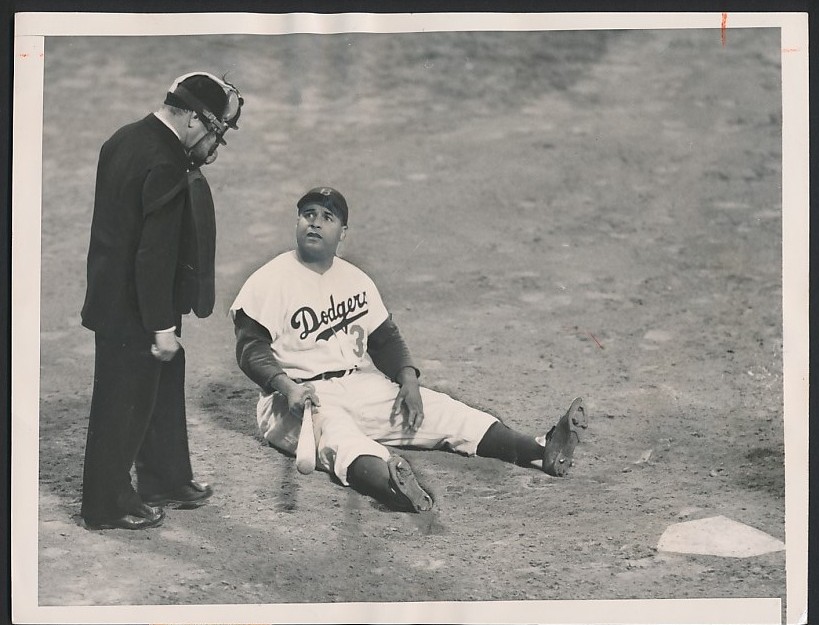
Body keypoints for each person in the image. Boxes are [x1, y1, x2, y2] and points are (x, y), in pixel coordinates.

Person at [230, 187, 588, 512]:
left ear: (342, 233)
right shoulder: (269, 280)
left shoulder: (356, 279)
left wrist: (407, 381)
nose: (315, 223)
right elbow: (250, 350)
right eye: (308, 214)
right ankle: (391, 485)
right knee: (341, 438)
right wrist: (286, 385)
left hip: (358, 383)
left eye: (327, 217)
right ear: (297, 221)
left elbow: (384, 339)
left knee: (443, 410)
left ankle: (540, 450)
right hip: (295, 398)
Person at [79, 72, 244, 530]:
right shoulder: (166, 162)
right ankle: (105, 504)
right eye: (214, 132)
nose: (213, 144)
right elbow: (153, 254)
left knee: (160, 383)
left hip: (114, 297)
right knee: (123, 403)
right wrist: (160, 325)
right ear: (193, 118)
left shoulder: (122, 139)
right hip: (136, 308)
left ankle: (166, 478)